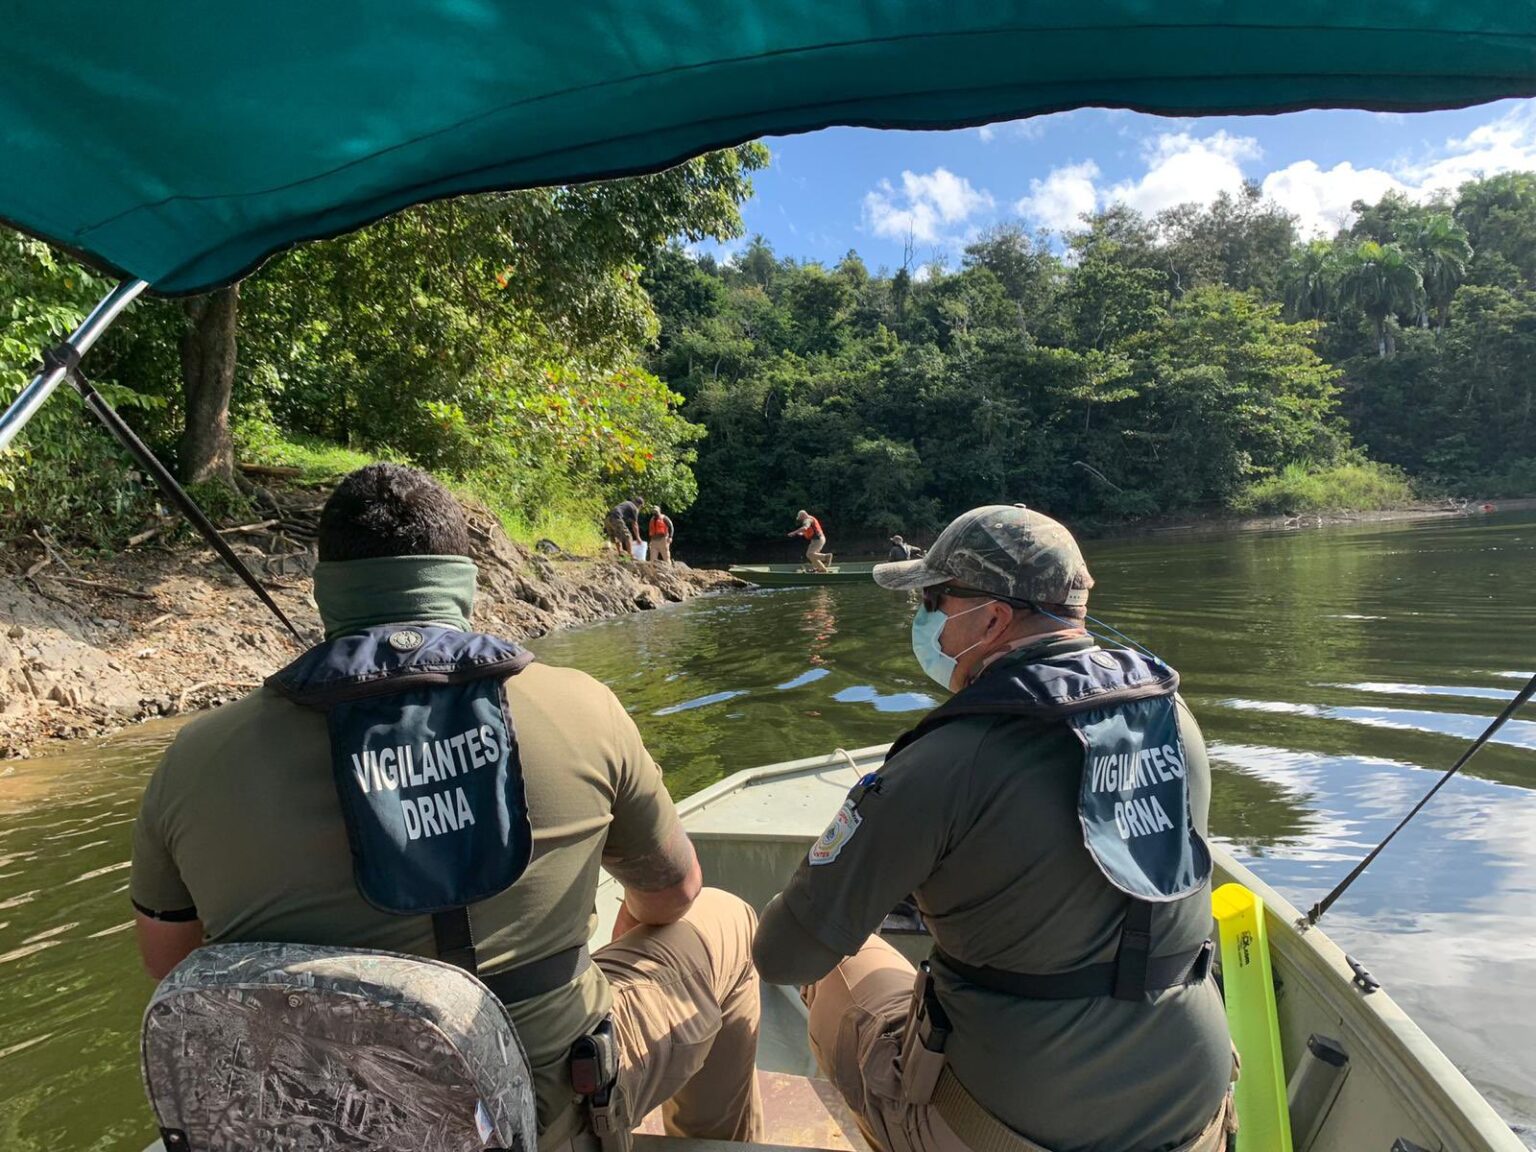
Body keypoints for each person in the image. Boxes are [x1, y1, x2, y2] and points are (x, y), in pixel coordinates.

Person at [131, 464, 763, 1150]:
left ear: (324, 589)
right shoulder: (583, 706)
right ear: (462, 577)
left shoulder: (195, 758)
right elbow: (674, 895)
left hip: (328, 1123)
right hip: (549, 1114)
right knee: (724, 917)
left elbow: (172, 962)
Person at [753, 504, 1234, 1152]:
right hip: (1194, 1114)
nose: (923, 621)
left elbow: (782, 954)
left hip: (1005, 1130)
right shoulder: (1173, 715)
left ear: (994, 618)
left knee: (834, 969)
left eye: (932, 600)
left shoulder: (942, 763)